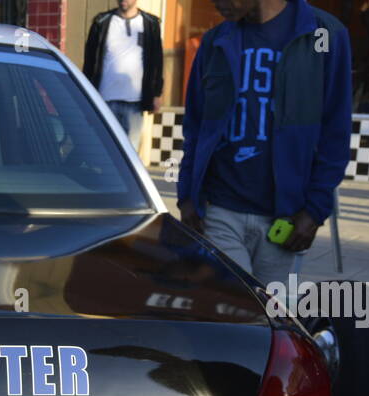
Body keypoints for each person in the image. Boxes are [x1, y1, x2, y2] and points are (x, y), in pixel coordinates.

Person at [177, 0, 352, 291]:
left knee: (270, 320)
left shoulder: (323, 35)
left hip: (285, 221)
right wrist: (187, 194)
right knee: (236, 304)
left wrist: (315, 210)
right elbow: (196, 124)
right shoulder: (216, 40)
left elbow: (336, 129)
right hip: (220, 210)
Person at [83, 0, 163, 152]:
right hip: (105, 98)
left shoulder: (150, 23)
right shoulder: (102, 21)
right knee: (104, 149)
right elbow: (90, 61)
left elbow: (157, 60)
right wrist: (87, 93)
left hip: (136, 101)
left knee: (130, 151)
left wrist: (157, 93)